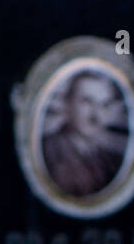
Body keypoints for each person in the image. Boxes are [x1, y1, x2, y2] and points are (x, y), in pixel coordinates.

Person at [41, 69, 127, 197]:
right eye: (87, 102)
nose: (96, 115)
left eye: (104, 104)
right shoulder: (47, 151)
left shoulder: (110, 161)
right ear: (68, 104)